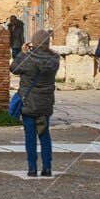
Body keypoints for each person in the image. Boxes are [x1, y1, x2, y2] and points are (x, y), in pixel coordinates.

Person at [11, 29, 60, 177]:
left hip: (28, 103)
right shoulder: (54, 60)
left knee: (30, 136)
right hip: (45, 103)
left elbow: (14, 68)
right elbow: (48, 57)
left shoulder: (28, 59)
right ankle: (47, 168)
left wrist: (22, 52)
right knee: (45, 136)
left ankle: (32, 168)